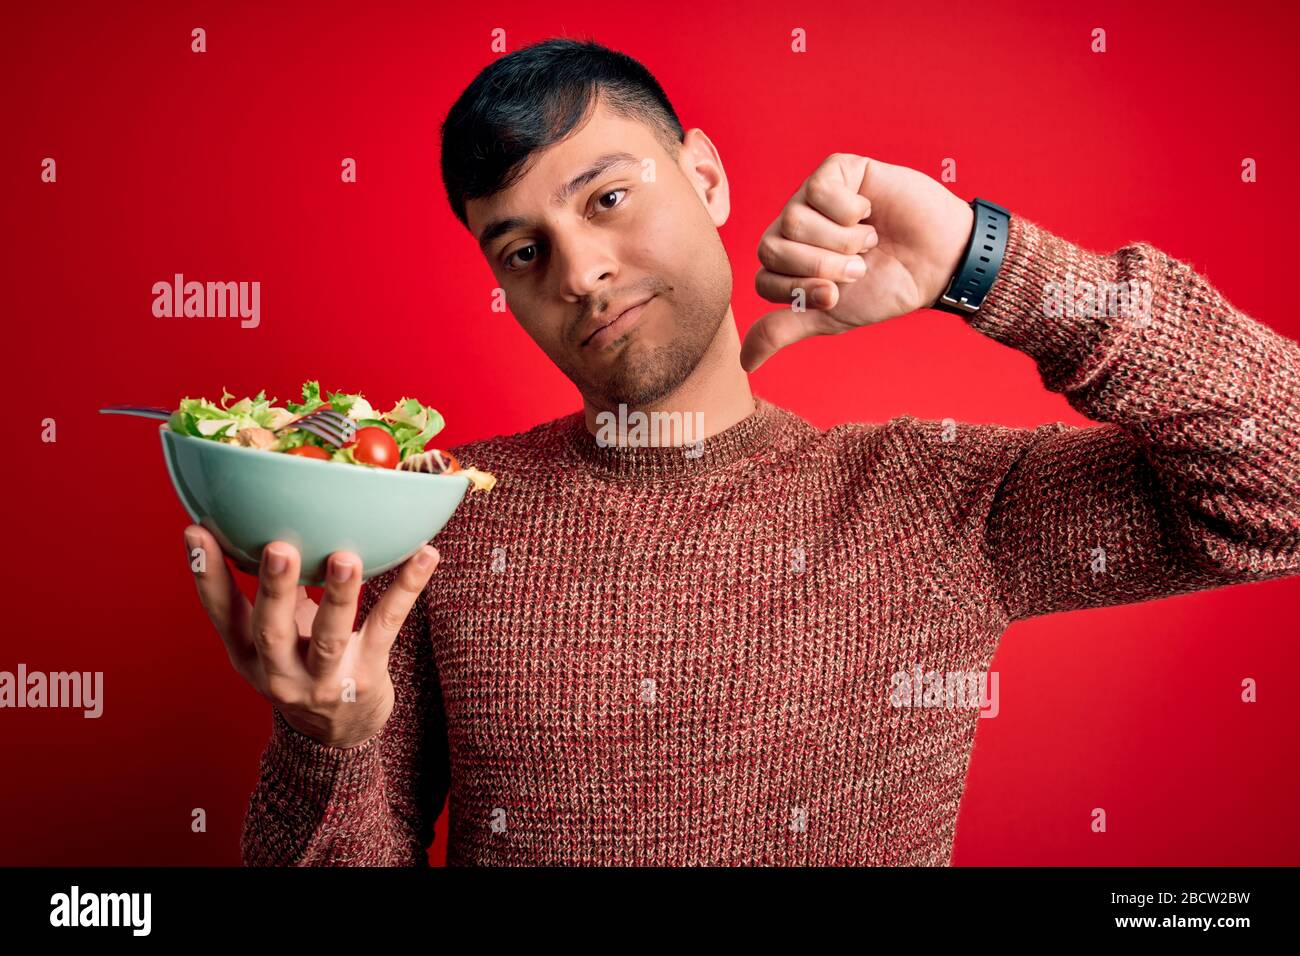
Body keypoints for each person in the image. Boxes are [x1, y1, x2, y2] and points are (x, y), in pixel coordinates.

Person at [185, 37, 1300, 866]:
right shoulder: (430, 517)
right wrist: (328, 741)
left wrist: (982, 259)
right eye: (525, 250)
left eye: (608, 197)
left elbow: (1280, 484)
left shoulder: (934, 501)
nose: (579, 271)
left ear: (706, 178)